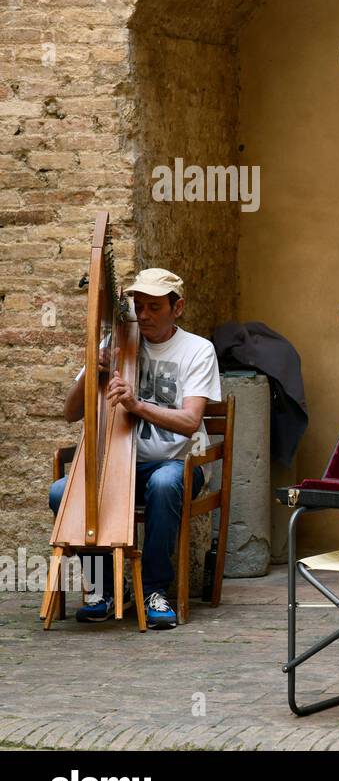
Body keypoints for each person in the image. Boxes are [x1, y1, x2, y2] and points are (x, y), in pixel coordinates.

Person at [49, 268, 222, 629]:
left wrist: (137, 405)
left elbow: (191, 422)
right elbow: (69, 413)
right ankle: (106, 589)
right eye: (138, 306)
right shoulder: (114, 343)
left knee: (163, 484)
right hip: (118, 467)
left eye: (154, 307)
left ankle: (154, 591)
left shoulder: (197, 350)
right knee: (60, 491)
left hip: (177, 464)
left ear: (178, 308)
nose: (143, 315)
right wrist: (92, 376)